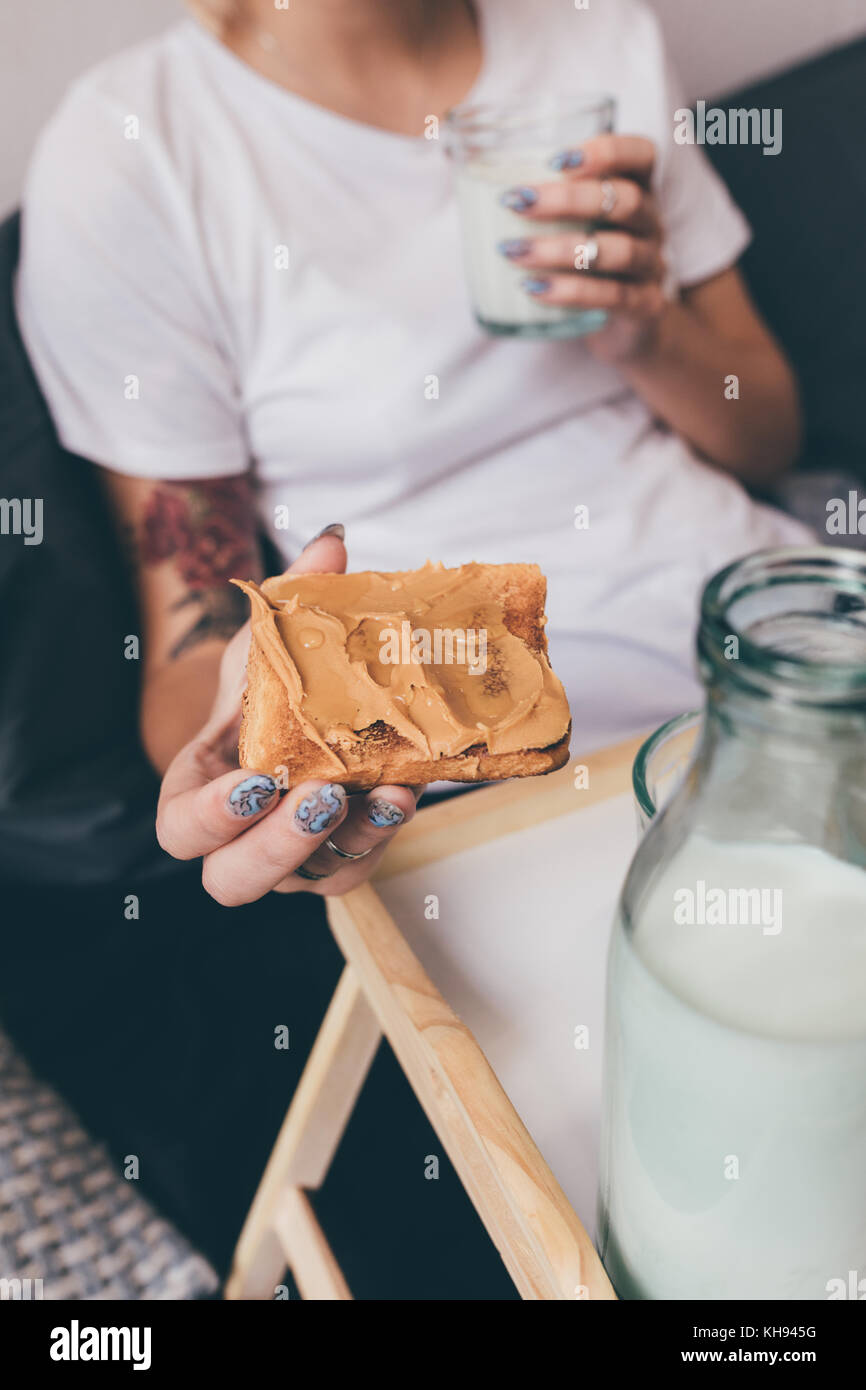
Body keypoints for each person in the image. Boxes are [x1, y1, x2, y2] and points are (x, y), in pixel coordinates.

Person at [12, 0, 810, 1292]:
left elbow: (764, 430)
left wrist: (644, 328)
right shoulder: (136, 147)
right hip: (511, 758)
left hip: (766, 630)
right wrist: (262, 705)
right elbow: (193, 629)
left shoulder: (598, 35)